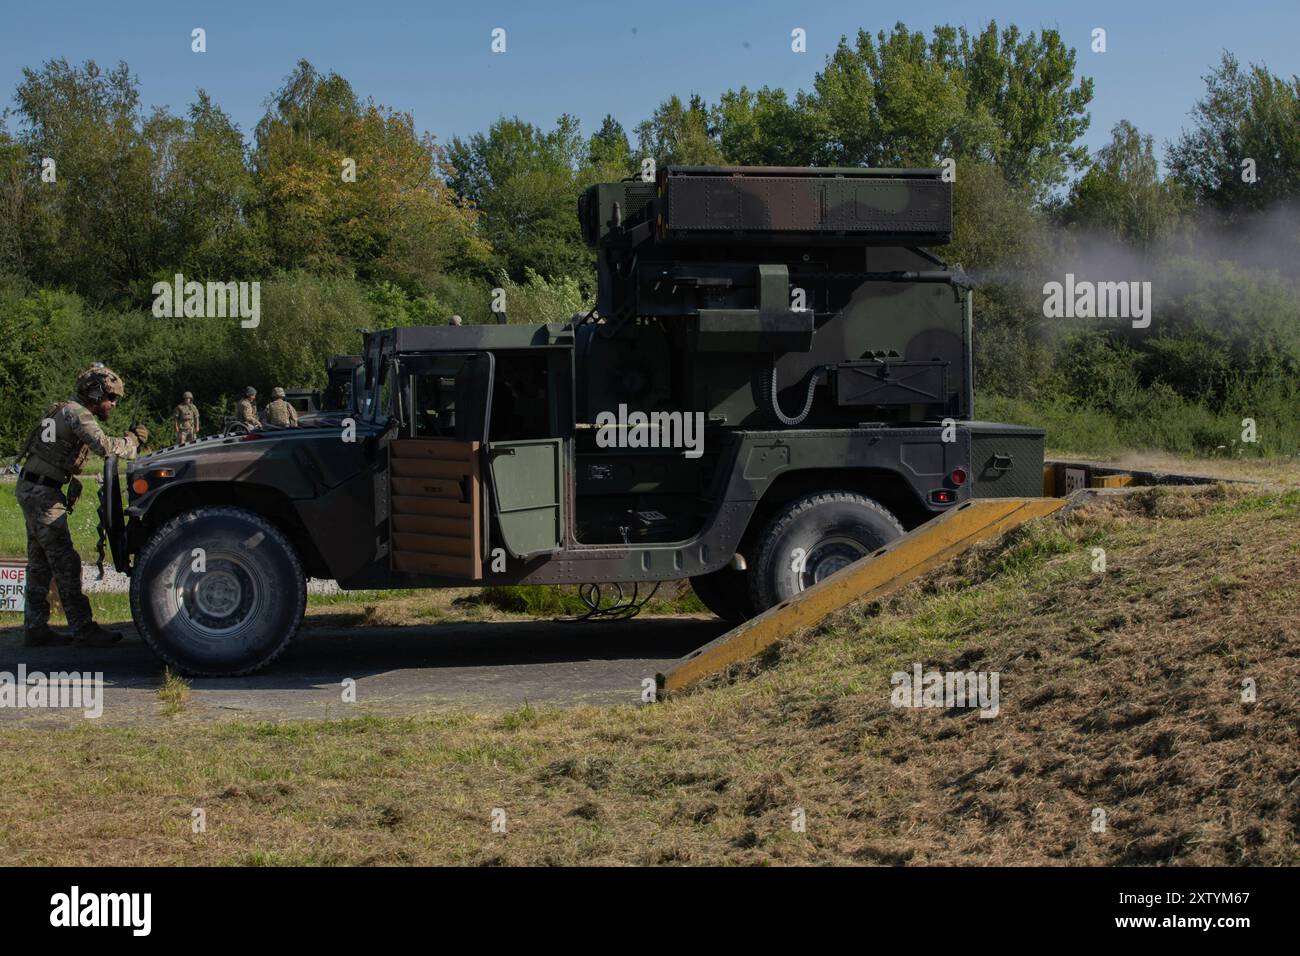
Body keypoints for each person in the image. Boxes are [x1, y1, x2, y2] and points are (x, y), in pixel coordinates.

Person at [16, 365, 147, 647]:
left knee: (40, 562)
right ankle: (83, 629)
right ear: (95, 393)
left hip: (34, 489)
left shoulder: (63, 409)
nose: (113, 404)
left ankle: (35, 627)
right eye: (111, 397)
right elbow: (106, 447)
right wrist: (133, 440)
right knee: (66, 562)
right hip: (42, 494)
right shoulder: (78, 414)